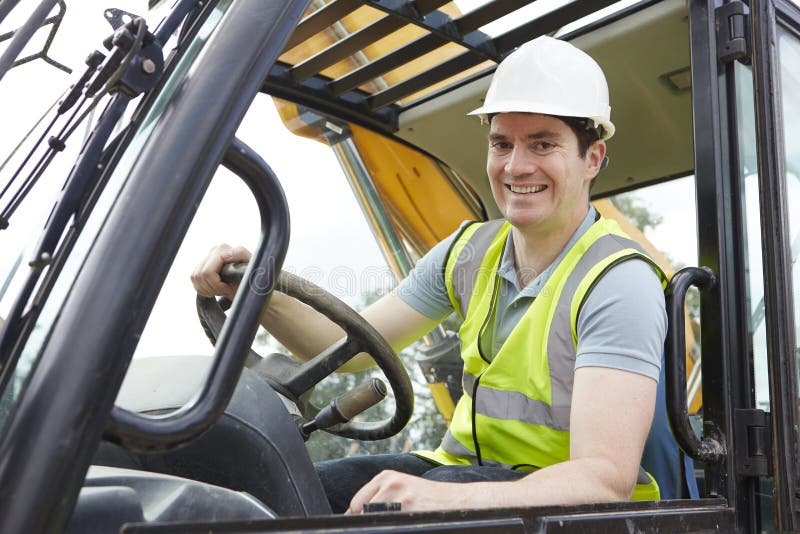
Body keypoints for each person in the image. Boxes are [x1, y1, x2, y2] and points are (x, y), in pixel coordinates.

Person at [192, 36, 667, 514]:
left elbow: (605, 480)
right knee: (296, 489)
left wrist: (445, 493)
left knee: (409, 502)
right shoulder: (467, 253)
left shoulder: (618, 280)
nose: (515, 165)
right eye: (501, 143)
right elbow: (341, 347)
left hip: (566, 507)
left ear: (593, 158)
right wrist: (261, 290)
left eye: (543, 144)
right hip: (462, 468)